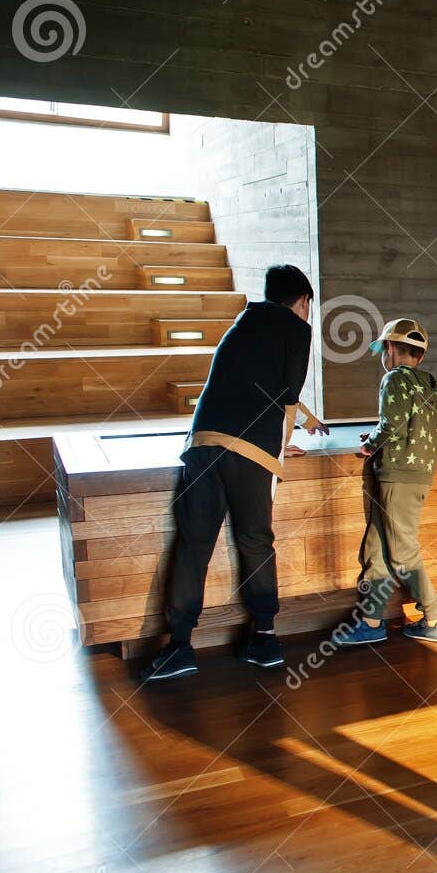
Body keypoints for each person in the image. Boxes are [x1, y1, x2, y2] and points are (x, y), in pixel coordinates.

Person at [141, 264, 321, 682]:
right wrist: (277, 451)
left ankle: (179, 647)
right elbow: (287, 397)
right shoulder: (297, 329)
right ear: (303, 301)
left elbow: (250, 383)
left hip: (203, 443)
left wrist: (304, 422)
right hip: (252, 450)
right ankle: (265, 638)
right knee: (256, 541)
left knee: (193, 545)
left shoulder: (243, 322)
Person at [331, 317, 437, 647]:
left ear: (391, 349)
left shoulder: (394, 378)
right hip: (414, 473)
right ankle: (371, 620)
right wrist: (379, 436)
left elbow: (392, 424)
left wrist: (370, 445)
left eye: (383, 349)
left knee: (402, 552)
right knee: (377, 547)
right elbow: (406, 424)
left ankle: (434, 618)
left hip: (399, 475)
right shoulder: (426, 382)